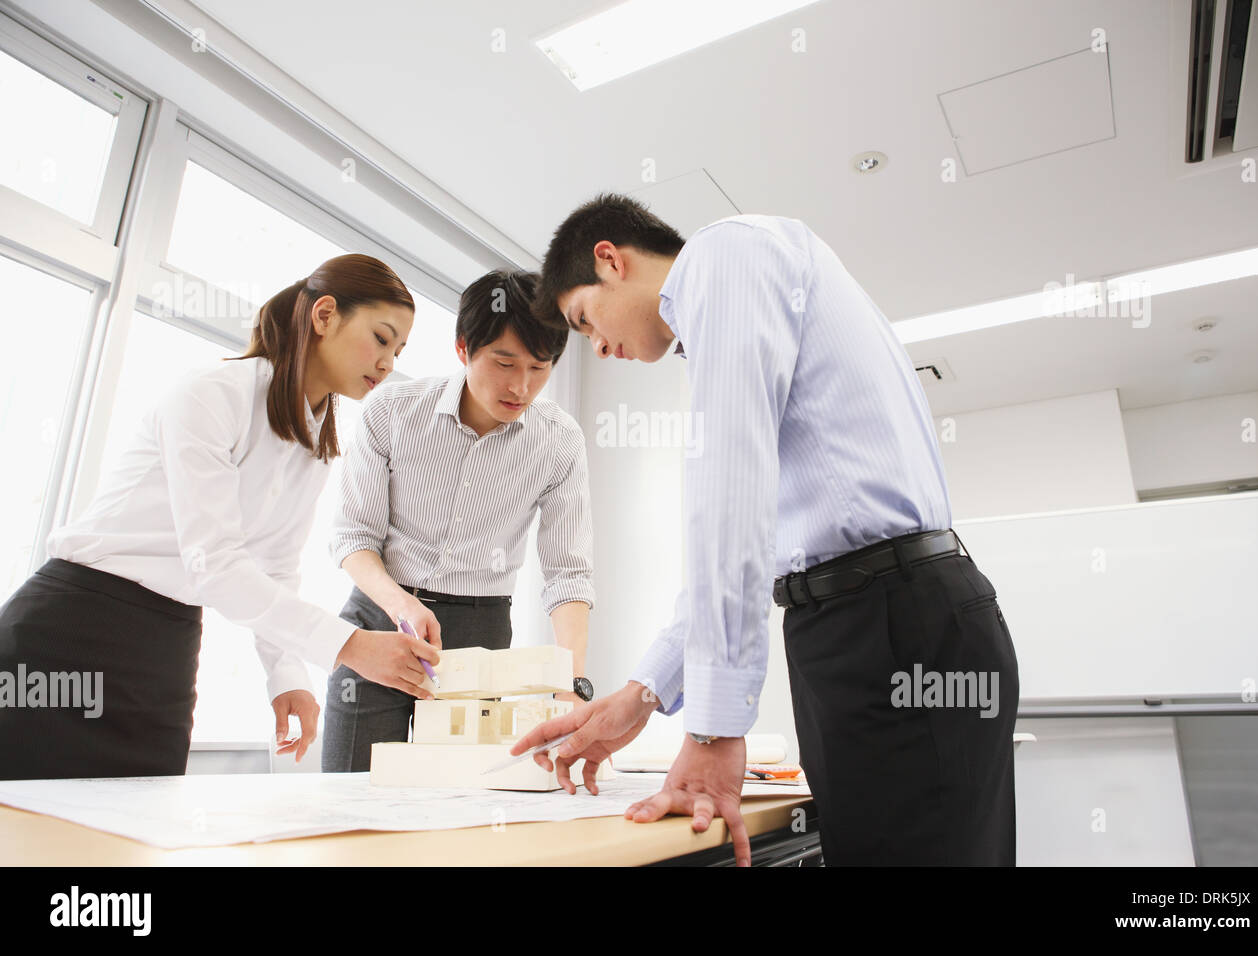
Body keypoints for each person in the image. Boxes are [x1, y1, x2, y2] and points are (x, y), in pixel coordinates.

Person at [513, 194, 1020, 866]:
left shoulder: (728, 255)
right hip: (863, 624)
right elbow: (747, 542)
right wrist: (641, 695)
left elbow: (731, 492)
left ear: (610, 260)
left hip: (893, 624)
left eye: (585, 320)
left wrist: (717, 728)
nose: (601, 348)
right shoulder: (734, 308)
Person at [0, 254, 440, 780]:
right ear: (324, 316)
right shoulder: (212, 393)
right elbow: (215, 565)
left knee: (133, 840)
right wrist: (349, 646)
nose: (389, 362)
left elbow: (274, 568)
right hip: (70, 633)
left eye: (400, 350)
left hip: (168, 644)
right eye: (382, 338)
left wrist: (286, 676)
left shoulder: (315, 444)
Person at [322, 270, 595, 772]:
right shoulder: (392, 410)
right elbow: (353, 538)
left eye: (540, 367)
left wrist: (570, 681)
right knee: (351, 788)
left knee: (461, 797)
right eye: (504, 362)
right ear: (463, 348)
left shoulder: (559, 441)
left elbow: (568, 573)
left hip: (480, 630)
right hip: (382, 616)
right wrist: (400, 604)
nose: (521, 386)